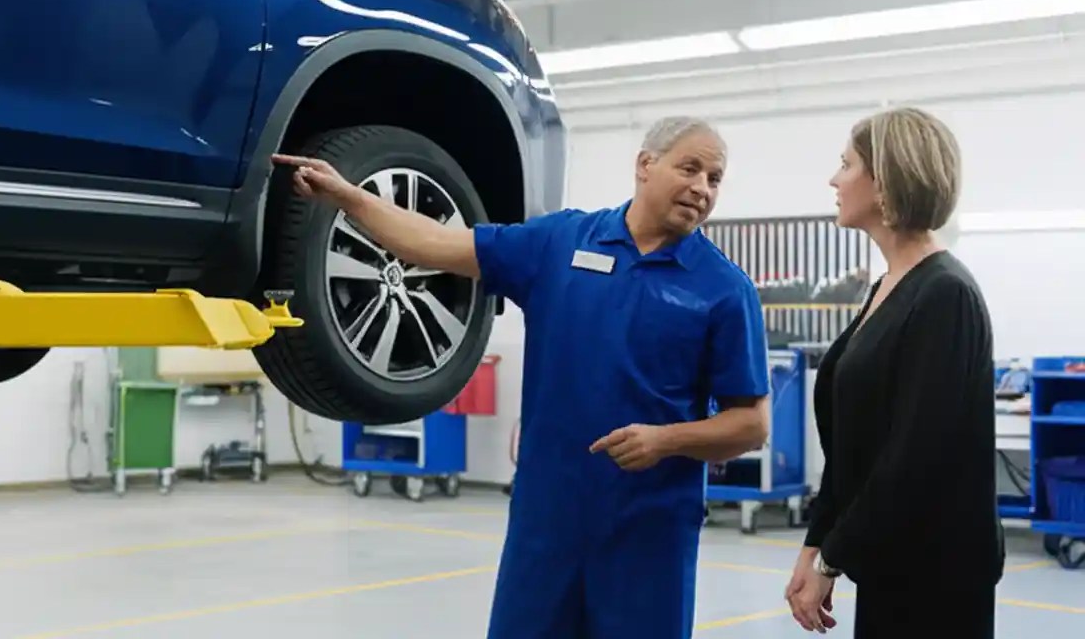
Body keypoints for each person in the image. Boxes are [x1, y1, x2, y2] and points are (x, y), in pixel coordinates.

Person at [273, 116, 772, 639]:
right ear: (645, 165)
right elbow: (436, 244)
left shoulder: (723, 289)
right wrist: (351, 197)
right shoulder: (558, 242)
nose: (701, 188)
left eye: (714, 179)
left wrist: (666, 441)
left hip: (649, 534)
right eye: (689, 168)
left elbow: (751, 425)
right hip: (546, 523)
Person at [784, 107, 1005, 637]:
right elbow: (855, 441)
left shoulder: (944, 294)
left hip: (936, 576)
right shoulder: (889, 286)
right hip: (890, 562)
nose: (834, 179)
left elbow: (913, 456)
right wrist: (814, 546)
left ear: (886, 183)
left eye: (846, 164)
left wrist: (832, 560)